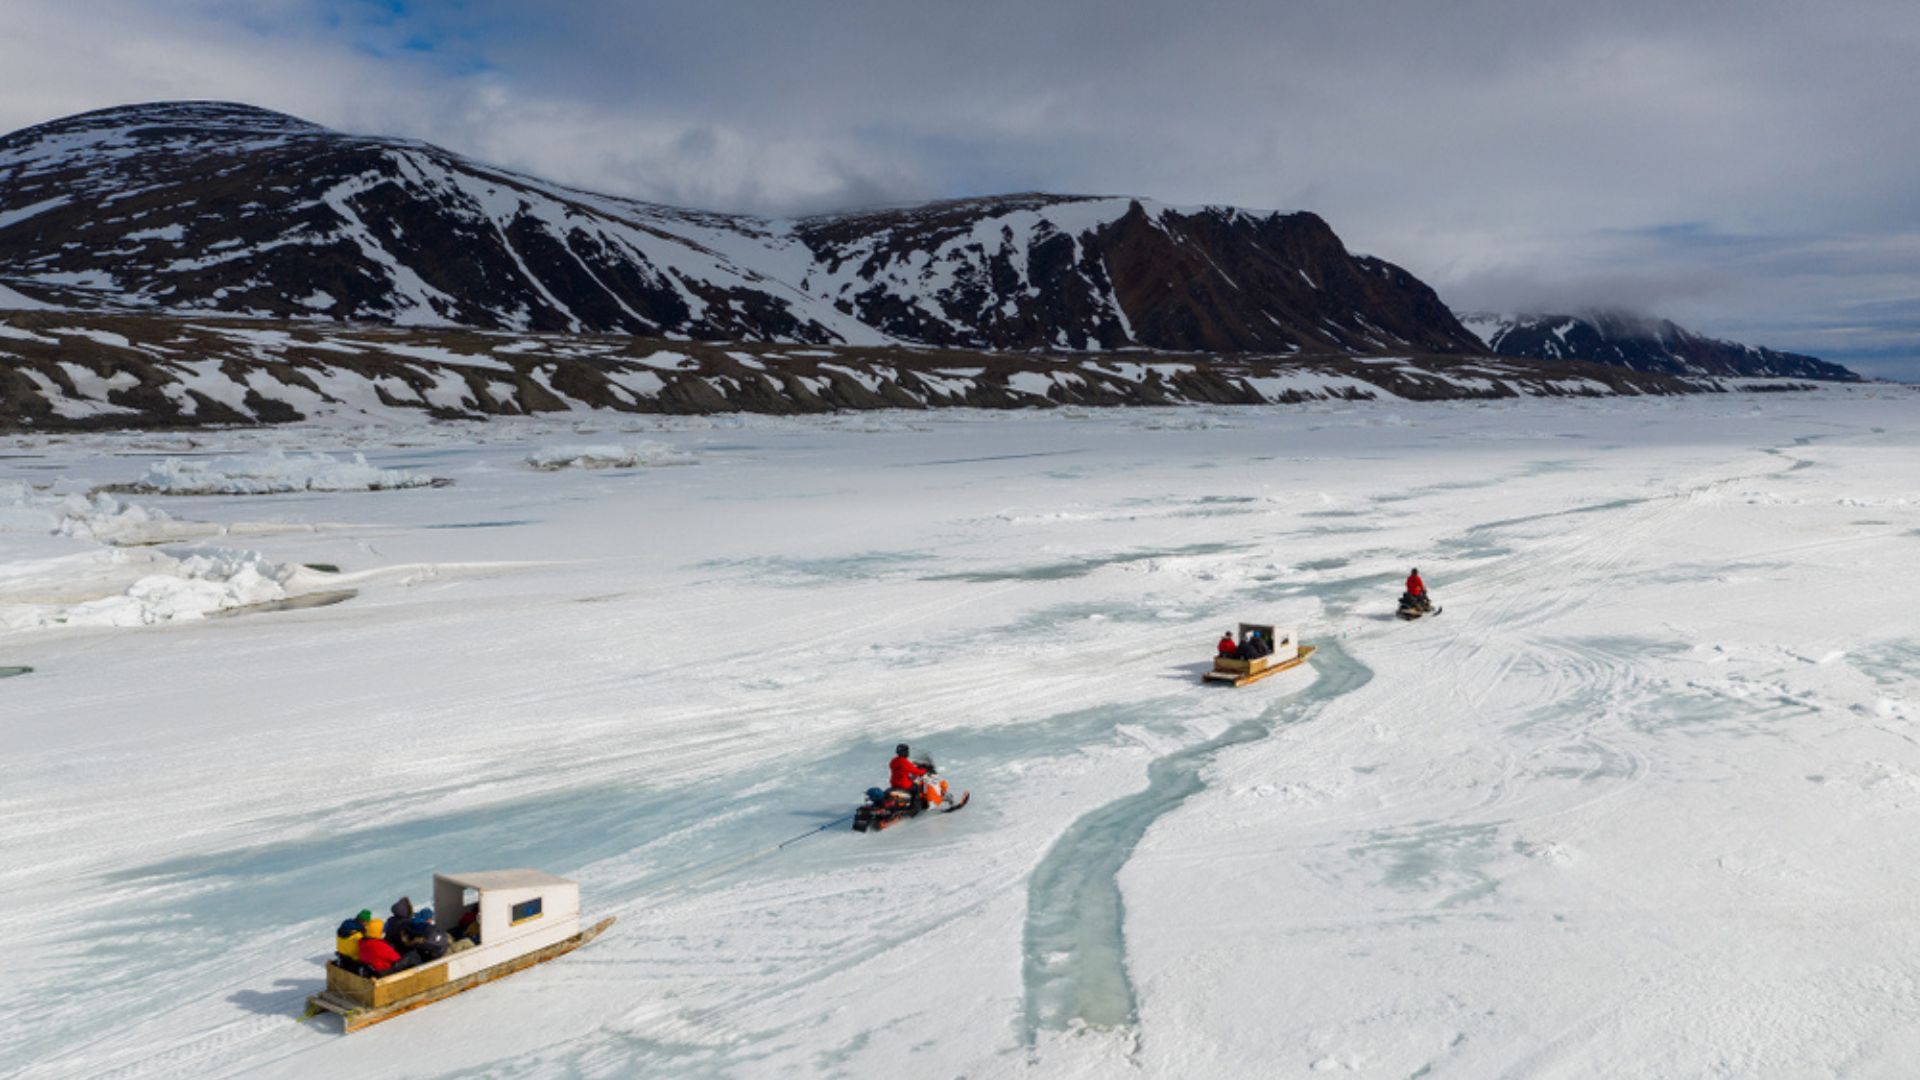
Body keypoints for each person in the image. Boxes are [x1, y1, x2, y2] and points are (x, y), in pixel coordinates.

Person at [890, 743, 931, 811]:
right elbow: (915, 771)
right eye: (907, 751)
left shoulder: (894, 761)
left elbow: (902, 767)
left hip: (894, 783)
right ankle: (915, 807)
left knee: (912, 780)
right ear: (904, 752)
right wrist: (924, 771)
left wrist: (913, 764)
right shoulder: (904, 761)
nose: (908, 753)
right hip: (903, 784)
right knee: (916, 787)